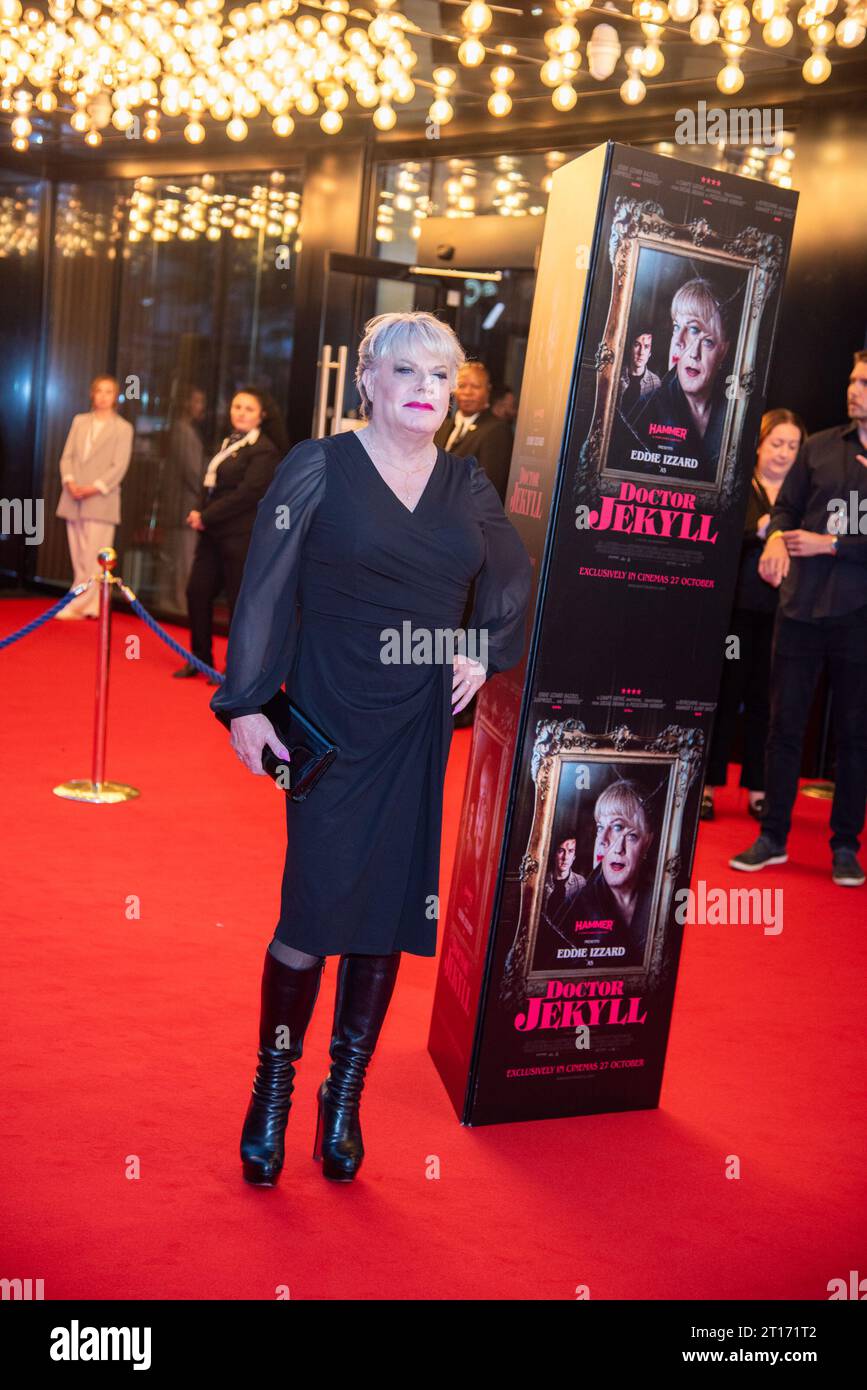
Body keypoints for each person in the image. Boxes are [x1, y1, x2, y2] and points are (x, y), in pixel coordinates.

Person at [209, 311, 532, 1185]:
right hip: (329, 715)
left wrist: (480, 646)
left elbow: (512, 583)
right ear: (368, 379)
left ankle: (342, 1096)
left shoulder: (466, 484)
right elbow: (266, 593)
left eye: (441, 376)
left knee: (389, 911)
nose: (427, 389)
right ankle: (273, 1086)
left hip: (415, 723)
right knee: (311, 913)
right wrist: (244, 704)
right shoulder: (315, 466)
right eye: (408, 373)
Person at [730, 350, 867, 887]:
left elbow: (831, 537)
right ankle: (774, 836)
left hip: (859, 617)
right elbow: (785, 510)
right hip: (800, 609)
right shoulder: (818, 448)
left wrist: (833, 543)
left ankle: (845, 845)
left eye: (865, 382)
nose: (855, 389)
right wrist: (781, 540)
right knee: (783, 727)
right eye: (854, 379)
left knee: (856, 736)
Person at [701, 409, 805, 821]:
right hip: (737, 612)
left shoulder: (801, 495)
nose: (783, 453)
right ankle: (708, 785)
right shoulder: (738, 485)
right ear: (759, 444)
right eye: (776, 443)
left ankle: (759, 789)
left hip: (783, 613)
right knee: (726, 695)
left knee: (768, 701)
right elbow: (720, 536)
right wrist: (758, 529)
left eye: (793, 446)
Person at [173, 386, 288, 682]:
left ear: (261, 415)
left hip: (241, 537)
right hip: (212, 534)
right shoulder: (229, 443)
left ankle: (237, 669)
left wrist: (206, 515)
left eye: (249, 409)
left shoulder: (265, 450)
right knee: (196, 592)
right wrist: (201, 512)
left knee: (239, 604)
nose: (241, 413)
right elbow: (210, 484)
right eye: (237, 407)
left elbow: (247, 495)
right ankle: (200, 660)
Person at [627, 278, 731, 484]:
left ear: (724, 350)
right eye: (676, 327)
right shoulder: (643, 411)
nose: (679, 342)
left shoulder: (735, 413)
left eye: (697, 332)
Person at [54, 374, 134, 619]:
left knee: (94, 556)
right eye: (99, 390)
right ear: (92, 393)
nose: (102, 396)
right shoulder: (79, 421)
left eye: (108, 391)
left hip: (101, 500)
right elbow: (67, 456)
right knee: (78, 554)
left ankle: (79, 603)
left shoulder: (123, 428)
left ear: (116, 396)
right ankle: (89, 604)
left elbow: (118, 467)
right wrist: (70, 481)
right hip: (73, 496)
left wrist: (93, 487)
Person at [558, 781, 655, 966]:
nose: (602, 840)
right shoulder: (573, 905)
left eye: (618, 828)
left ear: (648, 841)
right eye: (600, 828)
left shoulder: (661, 897)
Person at [434, 360, 515, 504]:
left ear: (487, 390)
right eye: (462, 386)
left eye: (475, 386)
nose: (468, 392)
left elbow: (489, 487)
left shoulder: (497, 430)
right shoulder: (440, 426)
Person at [159, 384, 208, 614]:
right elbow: (193, 472)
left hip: (181, 506)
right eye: (197, 401)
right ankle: (180, 607)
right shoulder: (183, 431)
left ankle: (174, 603)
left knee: (178, 560)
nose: (201, 407)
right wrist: (207, 491)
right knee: (182, 562)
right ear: (187, 403)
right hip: (184, 507)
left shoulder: (185, 430)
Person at [617, 330, 661, 419]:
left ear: (650, 353)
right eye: (637, 345)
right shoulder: (616, 376)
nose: (641, 352)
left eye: (646, 347)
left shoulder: (656, 383)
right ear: (630, 348)